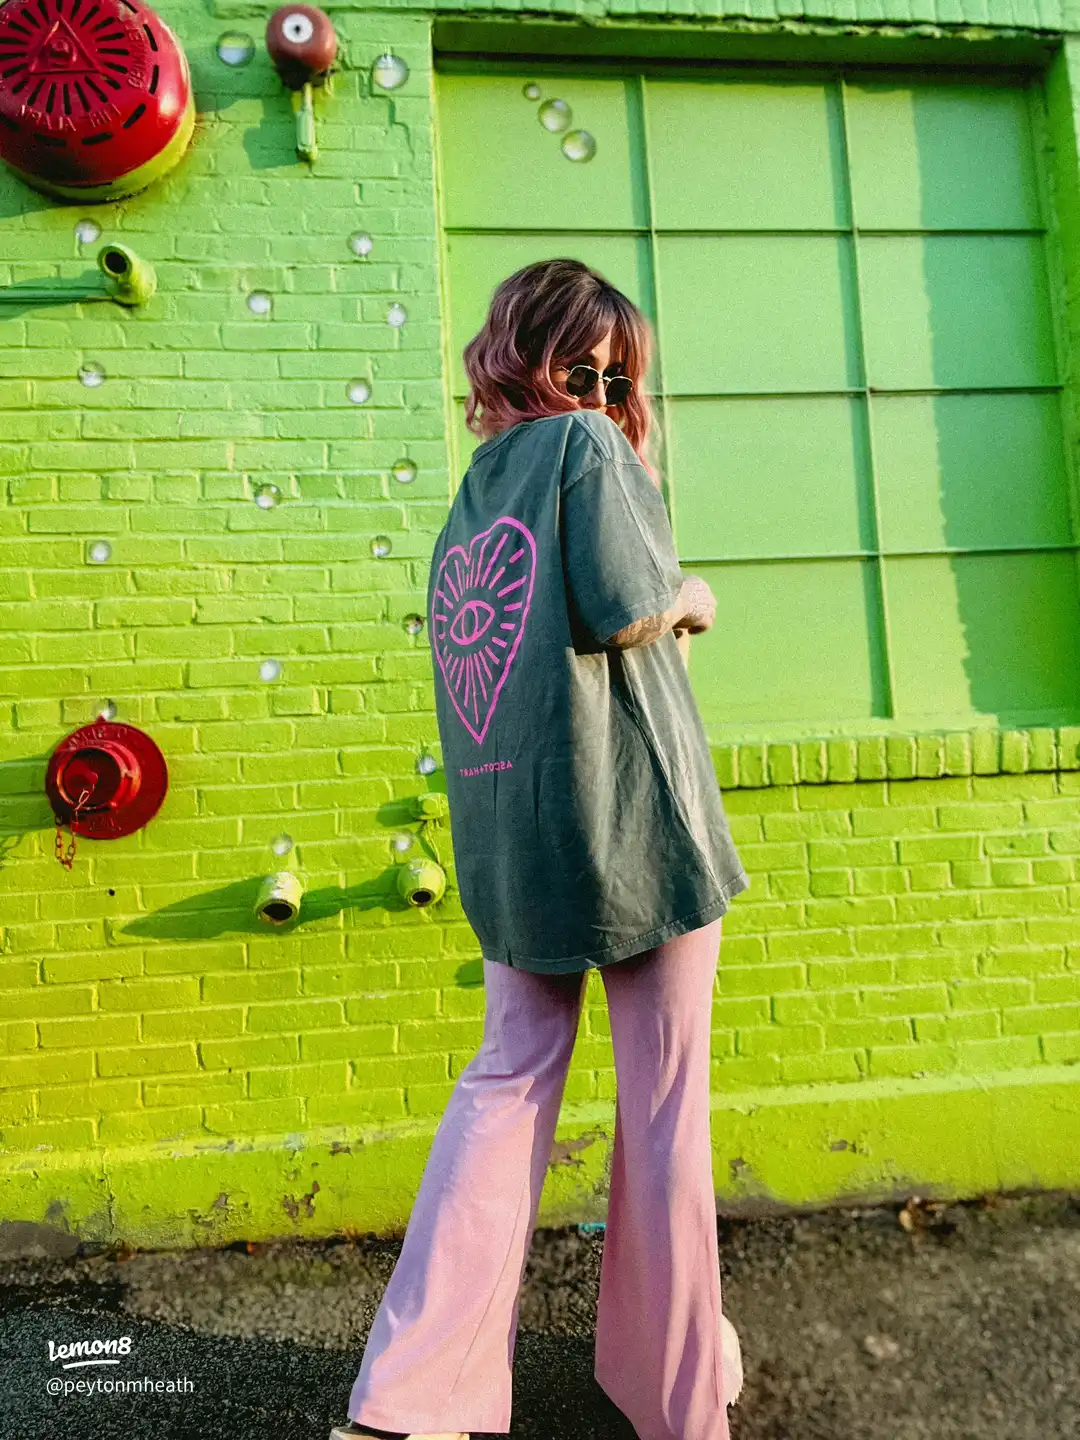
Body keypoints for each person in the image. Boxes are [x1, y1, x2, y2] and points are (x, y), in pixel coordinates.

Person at [331, 258, 751, 1440]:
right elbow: (626, 608)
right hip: (640, 832)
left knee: (505, 1083)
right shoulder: (590, 454)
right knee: (665, 1107)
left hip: (517, 841)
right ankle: (673, 1397)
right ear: (546, 359)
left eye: (616, 371)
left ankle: (410, 1402)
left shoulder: (479, 489)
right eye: (592, 364)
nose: (607, 387)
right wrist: (696, 596)